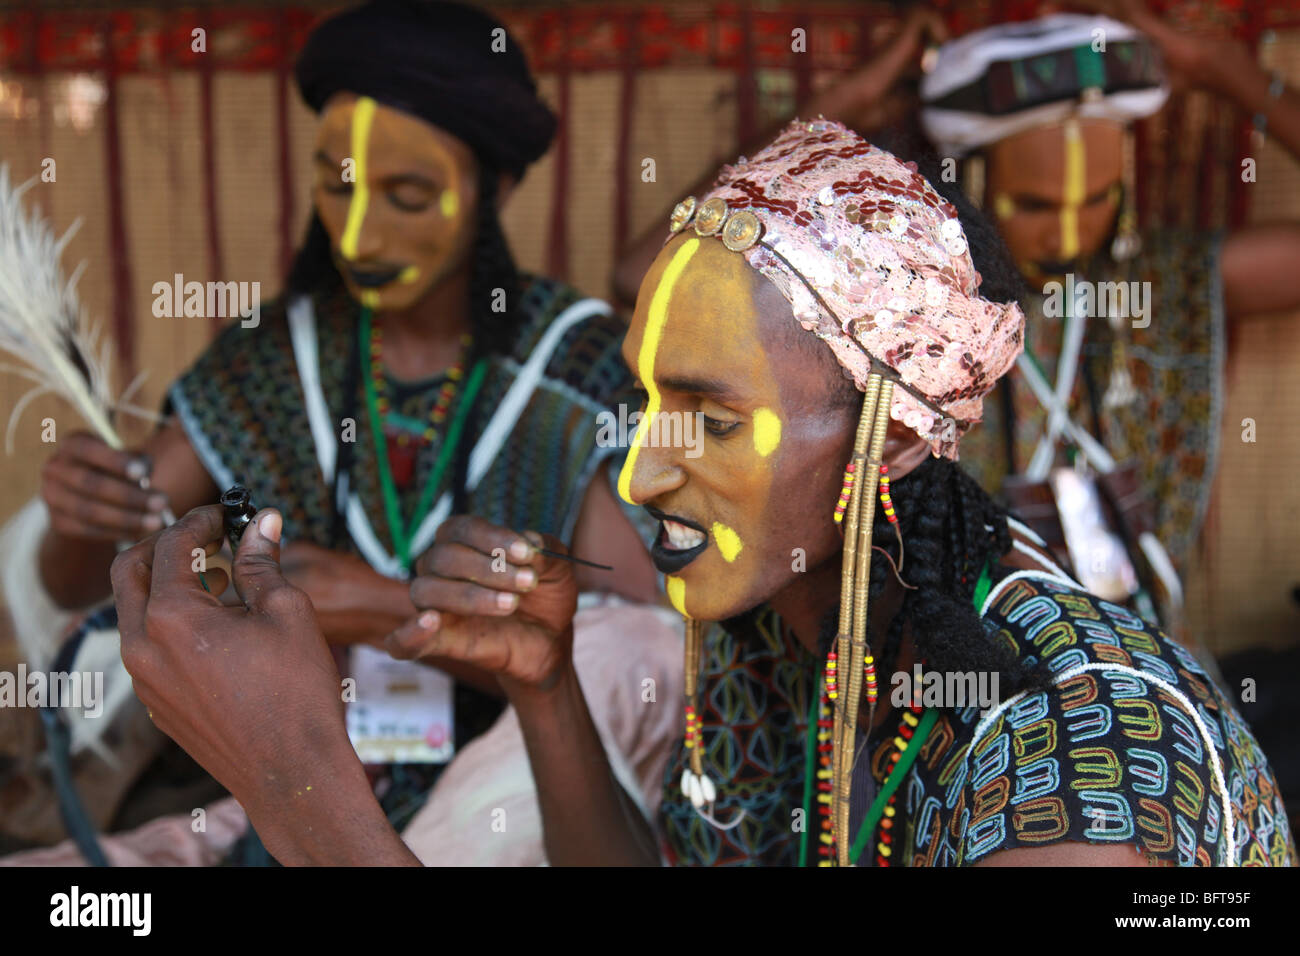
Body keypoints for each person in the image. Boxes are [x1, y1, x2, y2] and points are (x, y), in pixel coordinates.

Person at [111, 119, 1294, 867]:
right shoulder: (776, 624)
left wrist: (295, 782)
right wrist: (546, 696)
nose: (640, 472)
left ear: (886, 441)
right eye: (644, 400)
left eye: (715, 417)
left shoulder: (1067, 770)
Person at [28, 0, 654, 843]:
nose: (358, 232)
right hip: (278, 799)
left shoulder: (573, 369)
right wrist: (80, 517)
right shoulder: (267, 359)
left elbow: (636, 666)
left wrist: (382, 608)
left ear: (496, 185)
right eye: (338, 184)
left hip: (511, 807)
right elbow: (77, 583)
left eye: (406, 193)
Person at [918, 7, 1300, 627]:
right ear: (977, 183)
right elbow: (708, 235)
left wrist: (1230, 75)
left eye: (1098, 200)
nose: (1069, 234)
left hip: (1147, 678)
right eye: (1036, 204)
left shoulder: (1162, 286)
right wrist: (841, 101)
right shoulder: (912, 307)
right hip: (977, 683)